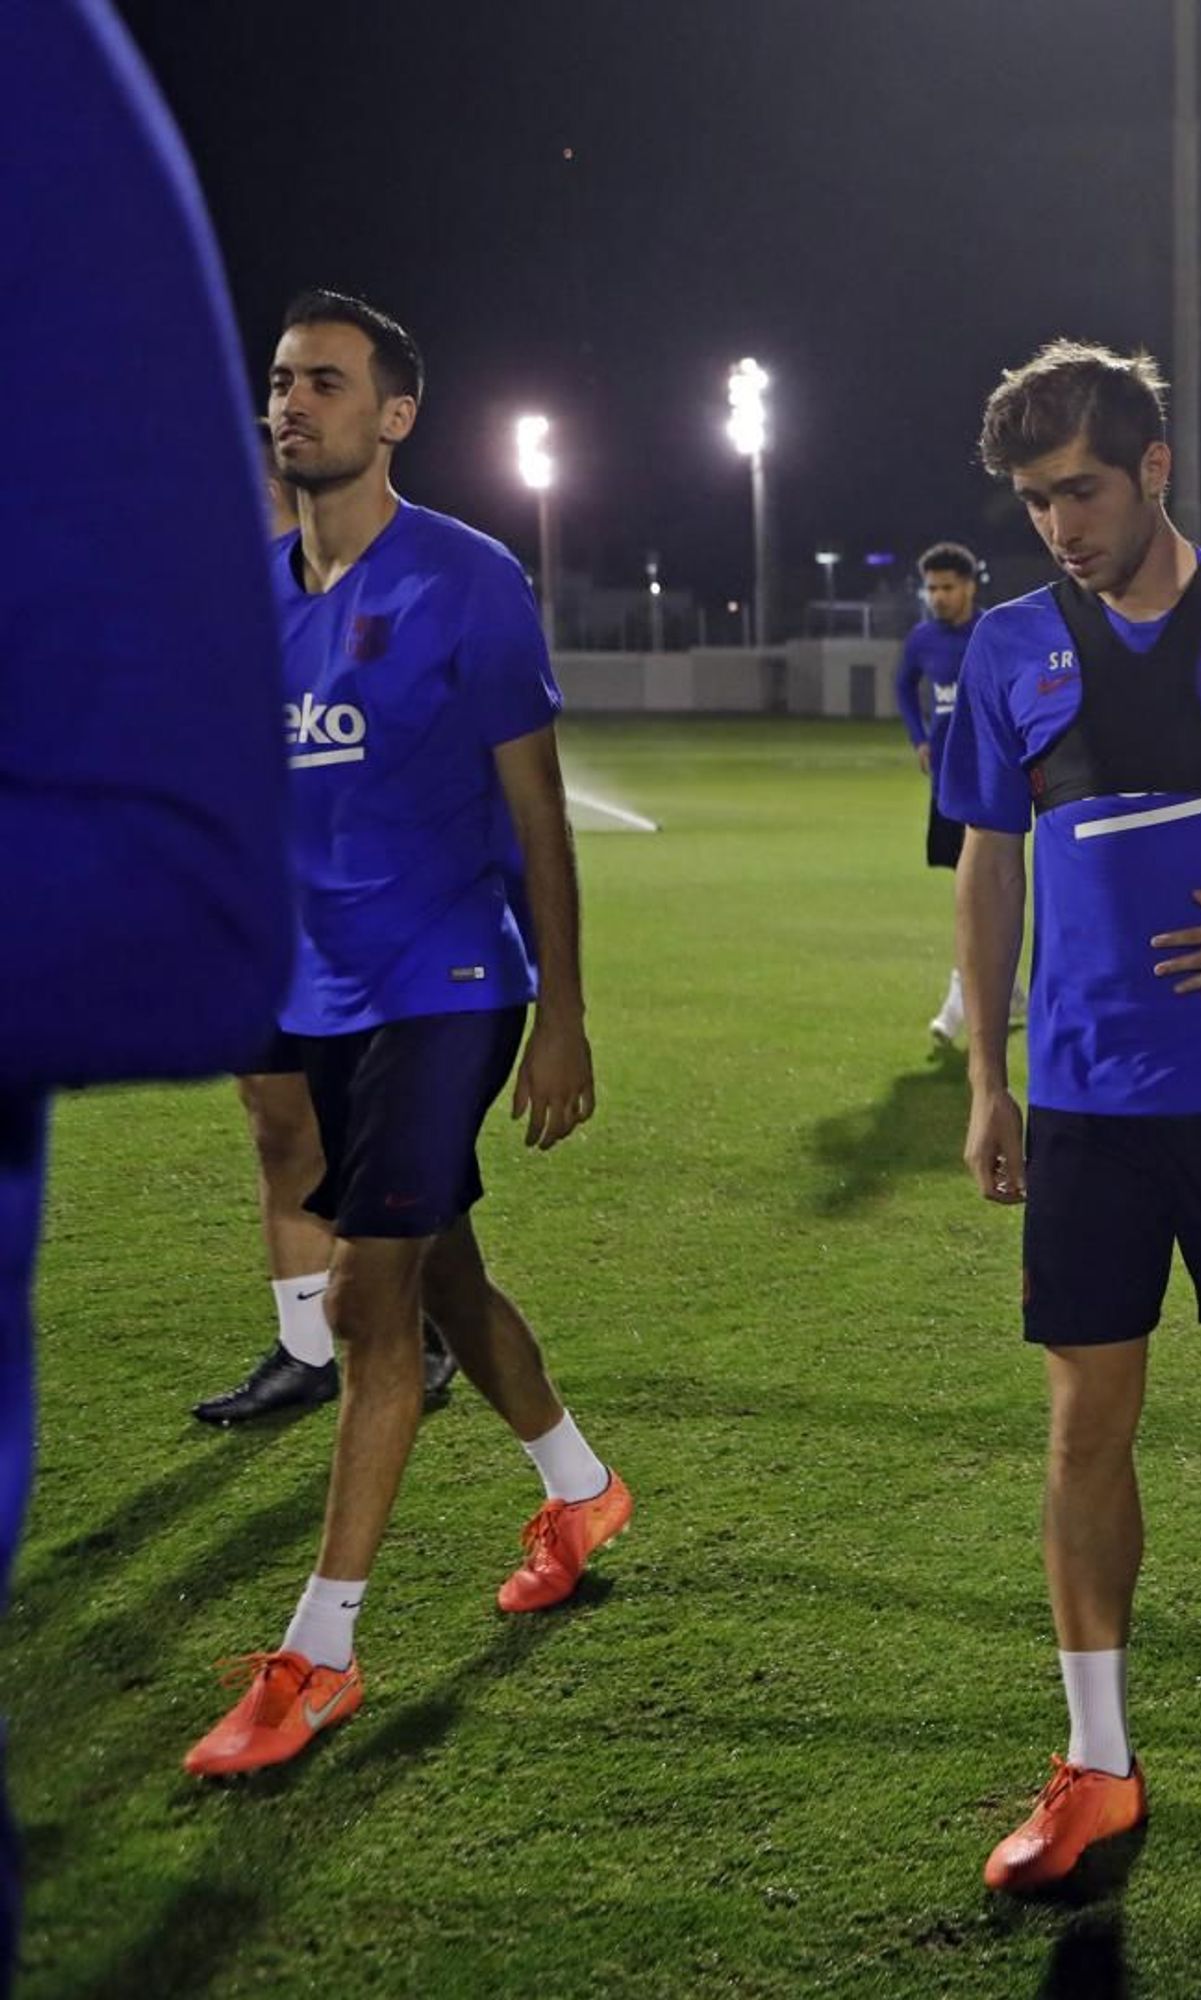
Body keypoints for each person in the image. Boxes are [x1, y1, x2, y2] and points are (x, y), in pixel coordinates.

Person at [940, 340, 1201, 1897]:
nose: (1059, 526)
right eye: (1034, 501)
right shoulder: (1008, 649)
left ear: (1156, 469)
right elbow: (990, 861)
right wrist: (988, 1076)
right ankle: (1097, 1762)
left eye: (1082, 491)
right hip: (1086, 1104)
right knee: (1085, 1424)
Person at [186, 293, 628, 1779]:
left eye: (326, 381)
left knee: (372, 1302)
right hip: (318, 990)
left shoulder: (467, 579)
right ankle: (580, 1487)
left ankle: (318, 1655)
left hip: (449, 979)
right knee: (442, 1270)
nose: (291, 402)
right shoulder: (255, 597)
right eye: (281, 381)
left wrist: (563, 1015)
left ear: (395, 416)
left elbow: (538, 814)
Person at [7, 0, 294, 1947]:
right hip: (339, 987)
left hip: (426, 967)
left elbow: (186, 891)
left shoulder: (29, 78)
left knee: (405, 1244)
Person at [196, 428, 459, 1426]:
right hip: (259, 909)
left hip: (363, 917)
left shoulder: (370, 597)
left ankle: (416, 1324)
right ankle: (305, 1350)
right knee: (276, 1126)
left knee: (369, 1136)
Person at [903, 542, 984, 1044]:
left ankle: (961, 995)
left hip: (986, 780)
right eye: (931, 588)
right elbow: (903, 687)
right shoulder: (922, 639)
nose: (937, 597)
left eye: (947, 587)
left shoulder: (991, 632)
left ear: (969, 587)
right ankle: (1006, 990)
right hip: (945, 783)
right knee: (966, 887)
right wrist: (919, 738)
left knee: (973, 891)